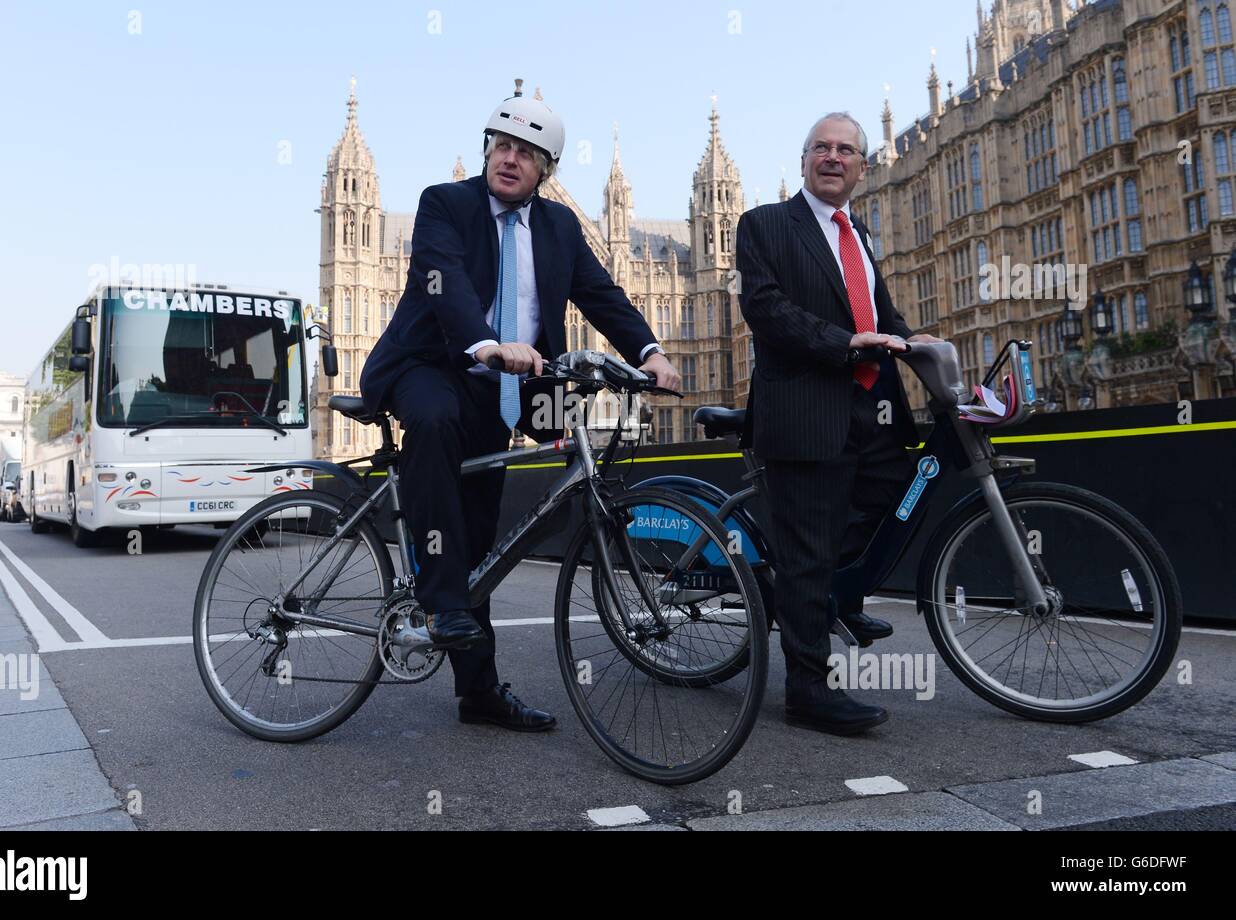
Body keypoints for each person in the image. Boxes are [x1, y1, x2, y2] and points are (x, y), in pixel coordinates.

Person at [359, 83, 680, 732]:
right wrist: (484, 342)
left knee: (480, 543)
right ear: (486, 152)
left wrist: (649, 350)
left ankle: (478, 691)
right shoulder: (445, 204)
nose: (509, 158)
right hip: (429, 366)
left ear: (546, 171)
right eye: (501, 145)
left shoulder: (559, 225)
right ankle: (438, 602)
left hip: (502, 395)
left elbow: (601, 294)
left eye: (526, 152)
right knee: (433, 418)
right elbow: (440, 279)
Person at [736, 112, 942, 736]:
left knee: (896, 493)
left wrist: (914, 341)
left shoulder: (858, 234)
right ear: (804, 160)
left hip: (872, 409)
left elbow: (881, 309)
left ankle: (827, 597)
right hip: (804, 406)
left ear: (861, 166)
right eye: (821, 148)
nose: (833, 157)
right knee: (806, 548)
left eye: (845, 150)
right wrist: (843, 342)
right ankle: (808, 687)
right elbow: (765, 308)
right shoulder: (765, 224)